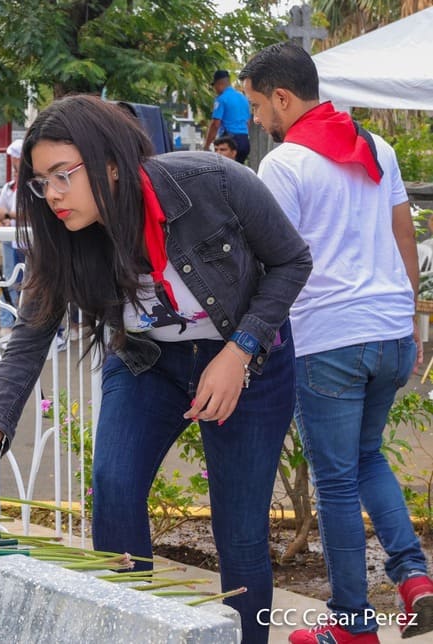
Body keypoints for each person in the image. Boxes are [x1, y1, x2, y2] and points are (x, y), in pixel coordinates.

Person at [0, 95, 312, 644]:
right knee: (113, 492)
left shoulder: (214, 181)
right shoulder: (62, 241)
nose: (53, 194)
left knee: (239, 534)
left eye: (63, 174)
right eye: (41, 180)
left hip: (248, 367)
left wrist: (238, 351)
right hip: (147, 364)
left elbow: (291, 260)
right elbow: (27, 341)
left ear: (110, 163)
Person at [240, 43, 433, 644]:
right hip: (390, 330)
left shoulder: (285, 163)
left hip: (329, 339)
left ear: (282, 97)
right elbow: (405, 234)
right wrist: (414, 324)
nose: (254, 120)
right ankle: (415, 581)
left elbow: (275, 259)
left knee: (337, 482)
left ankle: (351, 624)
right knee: (368, 458)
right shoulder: (376, 147)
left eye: (255, 105)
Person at [0, 139, 25, 338]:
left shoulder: (36, 185)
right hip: (11, 241)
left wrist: (8, 216)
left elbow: (34, 215)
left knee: (31, 285)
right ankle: (7, 323)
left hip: (31, 242)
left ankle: (28, 326)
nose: (15, 166)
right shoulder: (9, 187)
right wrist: (4, 220)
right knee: (9, 282)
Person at [204, 70, 251, 164]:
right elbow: (248, 123)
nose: (215, 89)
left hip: (229, 142)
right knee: (239, 171)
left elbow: (215, 124)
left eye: (214, 86)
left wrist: (206, 146)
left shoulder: (221, 99)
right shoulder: (243, 98)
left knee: (226, 173)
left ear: (219, 84)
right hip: (244, 141)